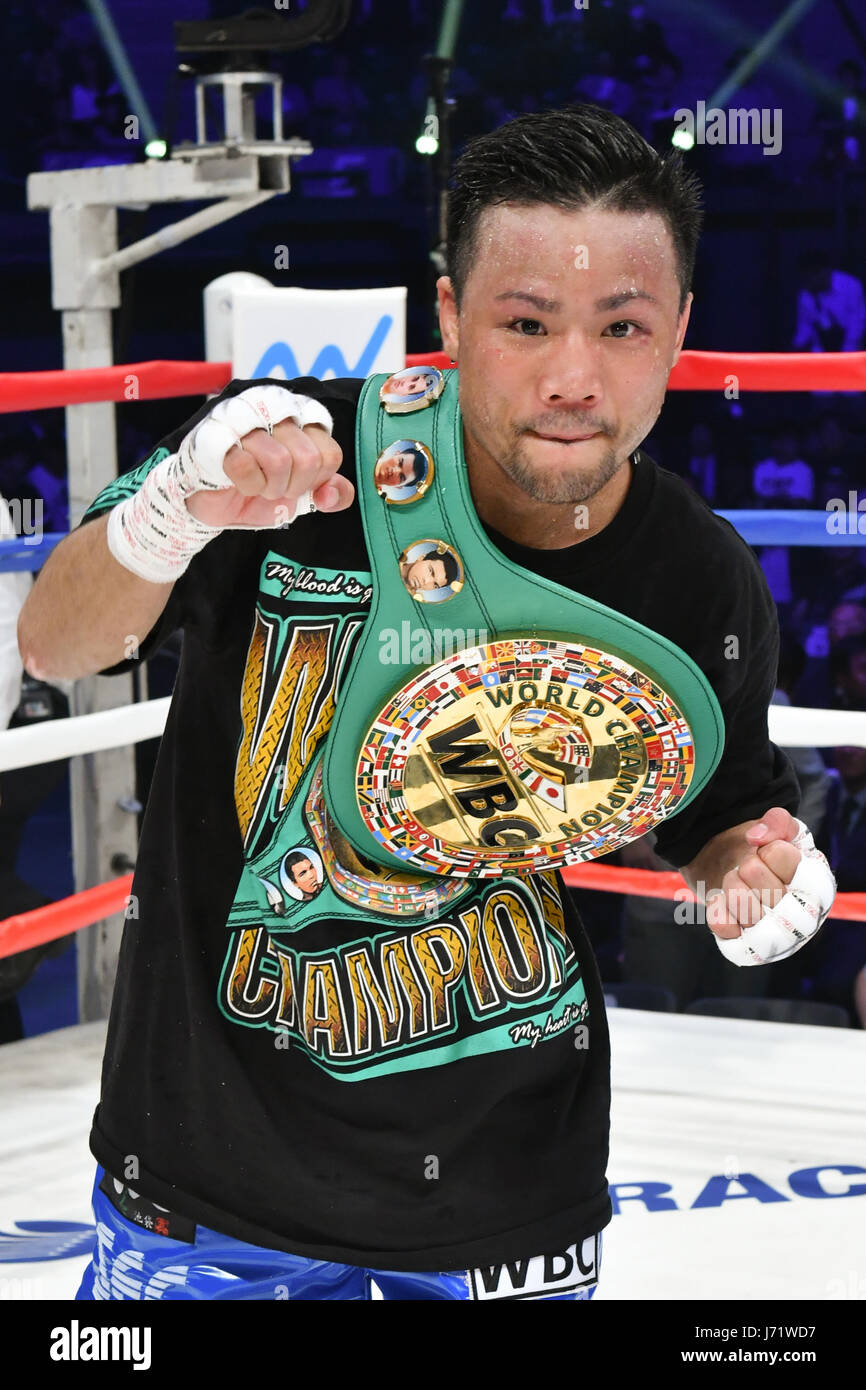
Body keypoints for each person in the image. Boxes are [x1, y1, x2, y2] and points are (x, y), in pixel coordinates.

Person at [19, 102, 836, 1302]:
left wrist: (750, 880)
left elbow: (720, 811)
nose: (572, 378)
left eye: (620, 327)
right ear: (449, 312)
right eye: (524, 322)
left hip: (511, 1194)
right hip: (204, 1180)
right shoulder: (290, 462)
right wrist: (175, 505)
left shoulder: (694, 571)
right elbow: (56, 640)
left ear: (677, 334)